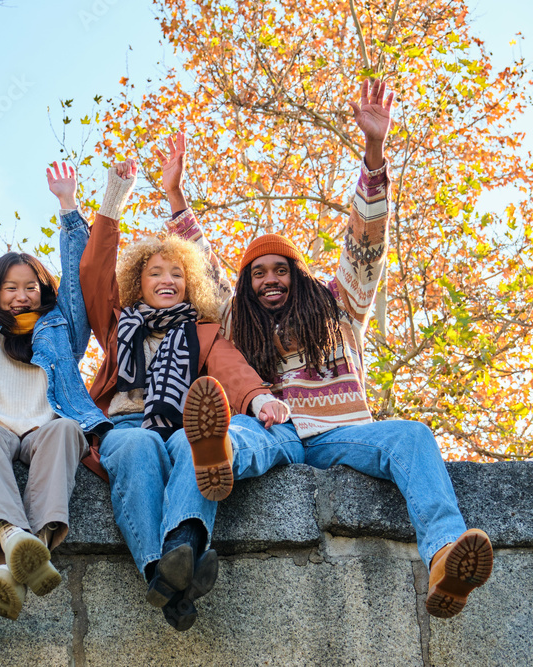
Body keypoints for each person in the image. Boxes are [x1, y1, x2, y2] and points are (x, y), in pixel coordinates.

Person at [175, 79, 493, 619]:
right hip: (277, 426)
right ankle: (219, 458)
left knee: (413, 436)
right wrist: (176, 196)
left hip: (345, 432)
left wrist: (374, 152)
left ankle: (443, 557)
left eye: (280, 270)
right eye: (257, 274)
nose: (269, 280)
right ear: (247, 284)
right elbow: (202, 264)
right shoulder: (238, 319)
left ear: (297, 275)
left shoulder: (339, 303)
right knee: (234, 431)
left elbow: (365, 239)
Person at [78, 158, 291, 631]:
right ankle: (171, 576)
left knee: (192, 444)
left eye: (177, 274)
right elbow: (92, 274)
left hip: (182, 422)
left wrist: (259, 401)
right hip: (125, 424)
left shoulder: (205, 331)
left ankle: (180, 550)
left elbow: (231, 371)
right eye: (156, 273)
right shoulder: (117, 324)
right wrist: (114, 199)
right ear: (139, 282)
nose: (167, 281)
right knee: (138, 445)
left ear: (190, 283)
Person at [0, 161, 110, 620]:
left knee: (69, 429)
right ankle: (18, 540)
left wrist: (69, 208)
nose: (20, 295)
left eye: (30, 286)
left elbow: (77, 286)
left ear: (41, 291)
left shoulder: (61, 330)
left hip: (41, 431)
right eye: (9, 287)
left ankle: (15, 569)